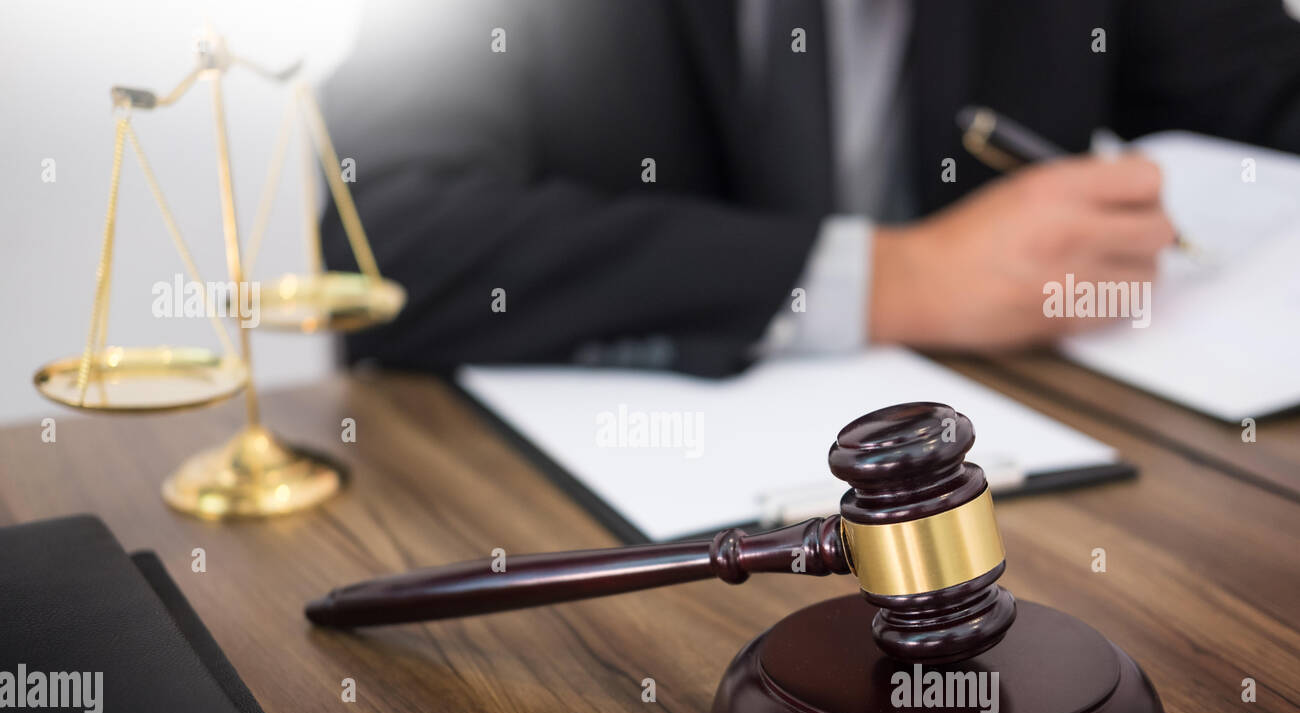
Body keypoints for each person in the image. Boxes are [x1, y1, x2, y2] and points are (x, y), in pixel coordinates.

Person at [321, 0, 1300, 377]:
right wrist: (901, 276)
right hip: (603, 528)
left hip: (1007, 481)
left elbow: (1274, 91)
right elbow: (382, 243)